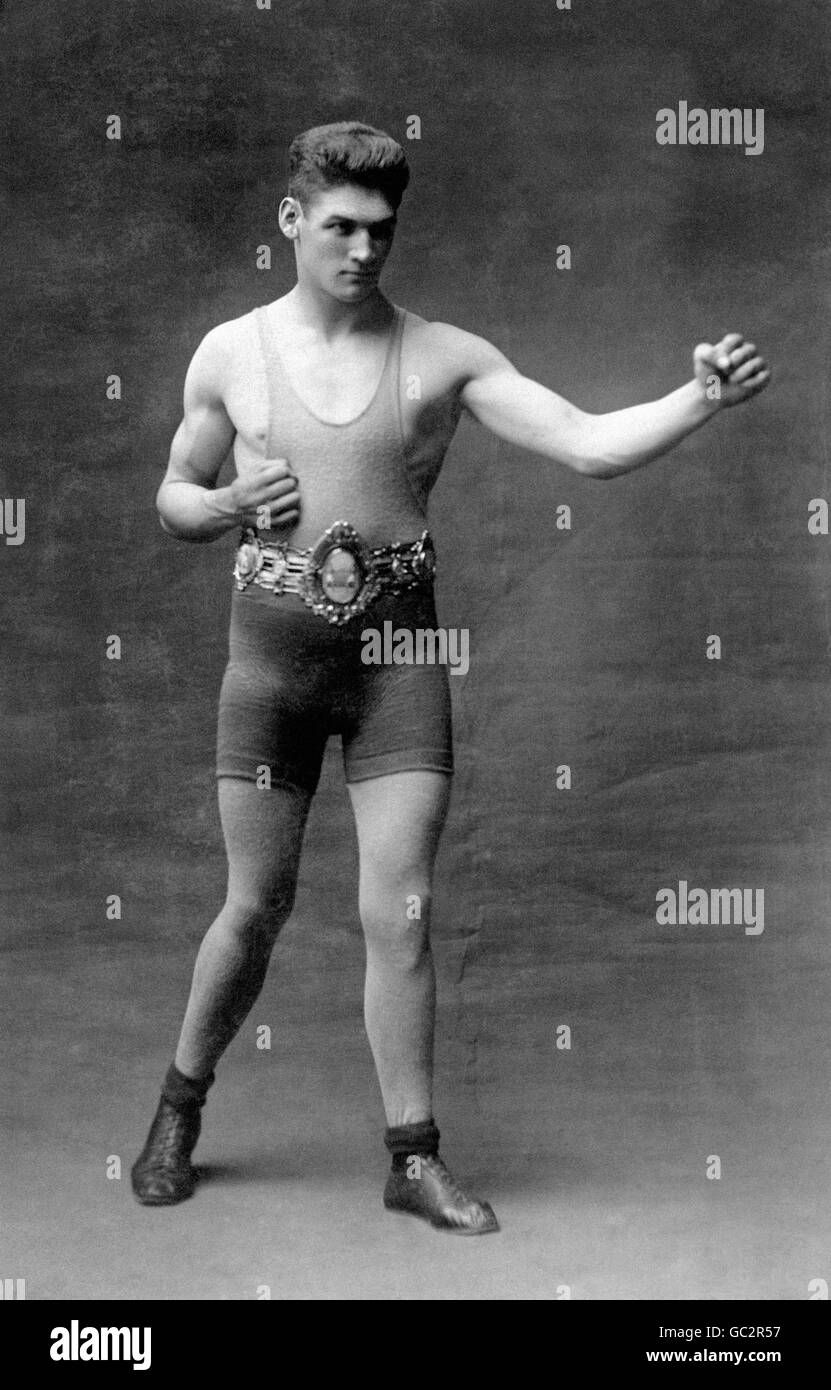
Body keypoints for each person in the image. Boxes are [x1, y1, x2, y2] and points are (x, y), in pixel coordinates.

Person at [131, 120, 770, 1234]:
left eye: (382, 230)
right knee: (254, 907)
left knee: (404, 913)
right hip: (270, 671)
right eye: (340, 227)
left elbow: (587, 445)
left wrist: (698, 400)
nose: (364, 250)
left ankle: (413, 1157)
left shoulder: (443, 356)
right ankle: (178, 1109)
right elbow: (177, 497)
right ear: (291, 223)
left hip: (398, 666)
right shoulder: (230, 353)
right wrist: (231, 505)